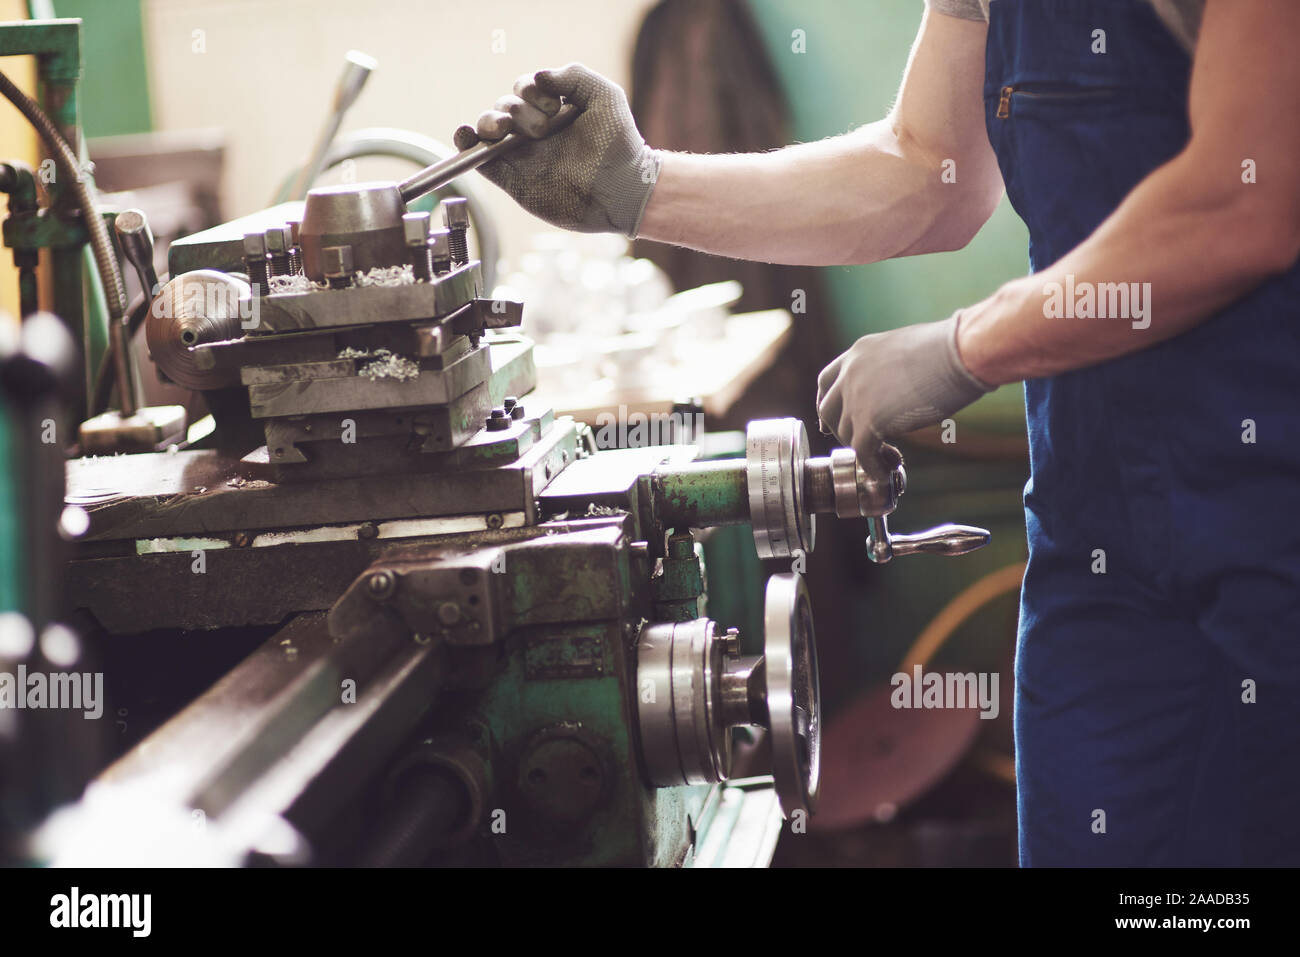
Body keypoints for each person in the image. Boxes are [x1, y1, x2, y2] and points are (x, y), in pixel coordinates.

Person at [455, 0, 1300, 866]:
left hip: (1271, 521)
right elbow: (928, 168)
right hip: (1099, 536)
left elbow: (1246, 196)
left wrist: (964, 347)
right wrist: (637, 186)